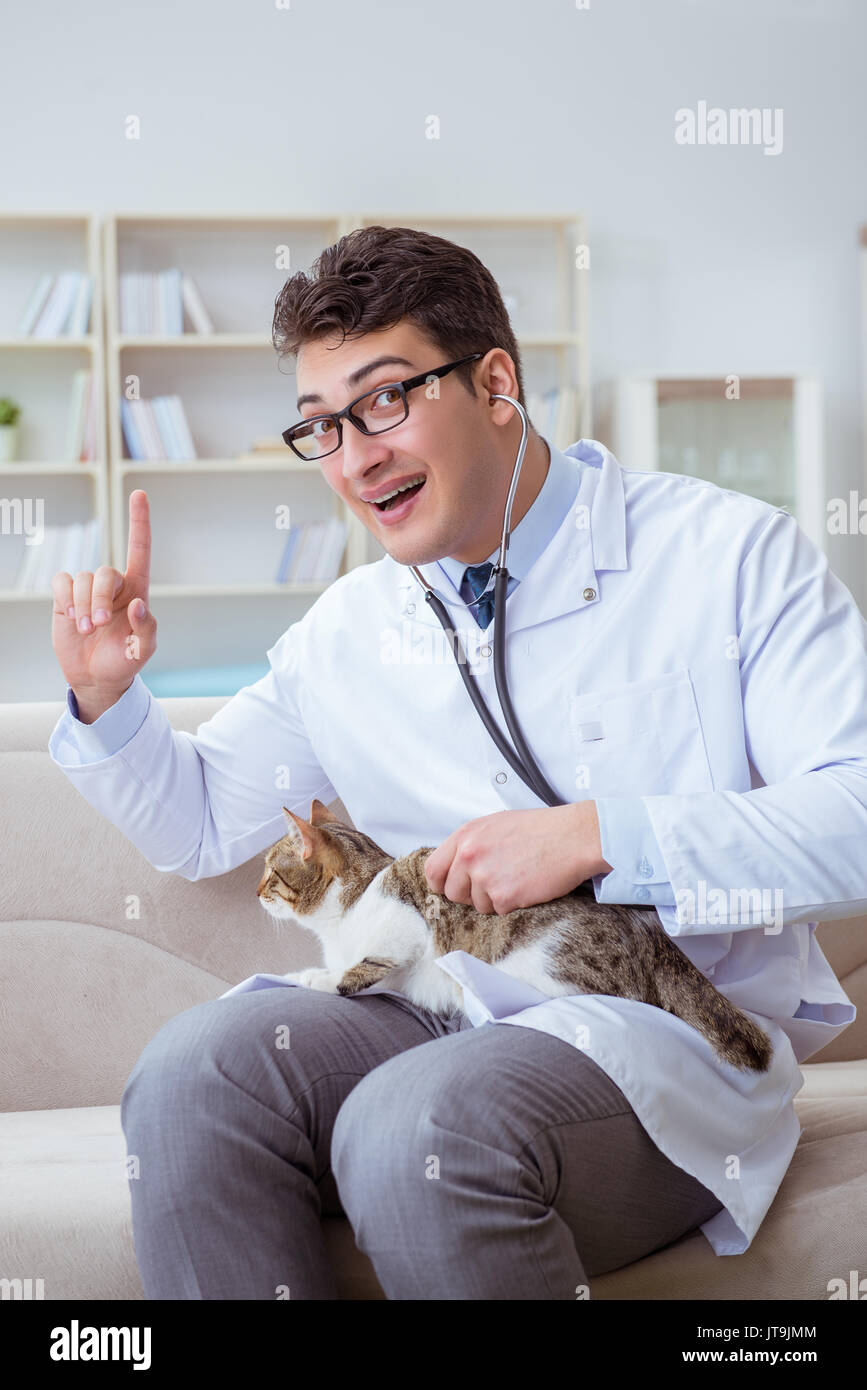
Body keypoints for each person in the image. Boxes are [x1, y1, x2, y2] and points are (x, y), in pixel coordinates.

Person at [48, 225, 864, 1300]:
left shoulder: (727, 558)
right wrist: (107, 699)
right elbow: (196, 822)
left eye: (386, 399)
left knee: (414, 1125)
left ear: (495, 382)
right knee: (192, 1074)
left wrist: (600, 835)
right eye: (321, 426)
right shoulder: (345, 631)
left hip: (661, 1032)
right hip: (427, 1007)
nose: (354, 456)